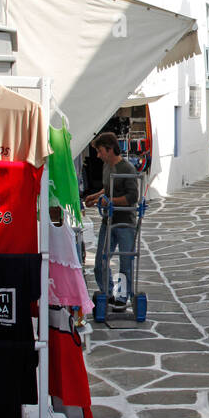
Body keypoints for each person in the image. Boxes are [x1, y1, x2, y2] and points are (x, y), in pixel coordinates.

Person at [85, 132, 139, 310]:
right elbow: (108, 188)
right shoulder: (106, 167)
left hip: (125, 223)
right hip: (108, 221)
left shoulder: (127, 169)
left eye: (100, 151)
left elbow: (132, 197)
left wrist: (110, 201)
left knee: (125, 263)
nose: (98, 156)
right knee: (101, 261)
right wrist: (96, 196)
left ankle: (123, 298)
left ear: (110, 149)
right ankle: (107, 294)